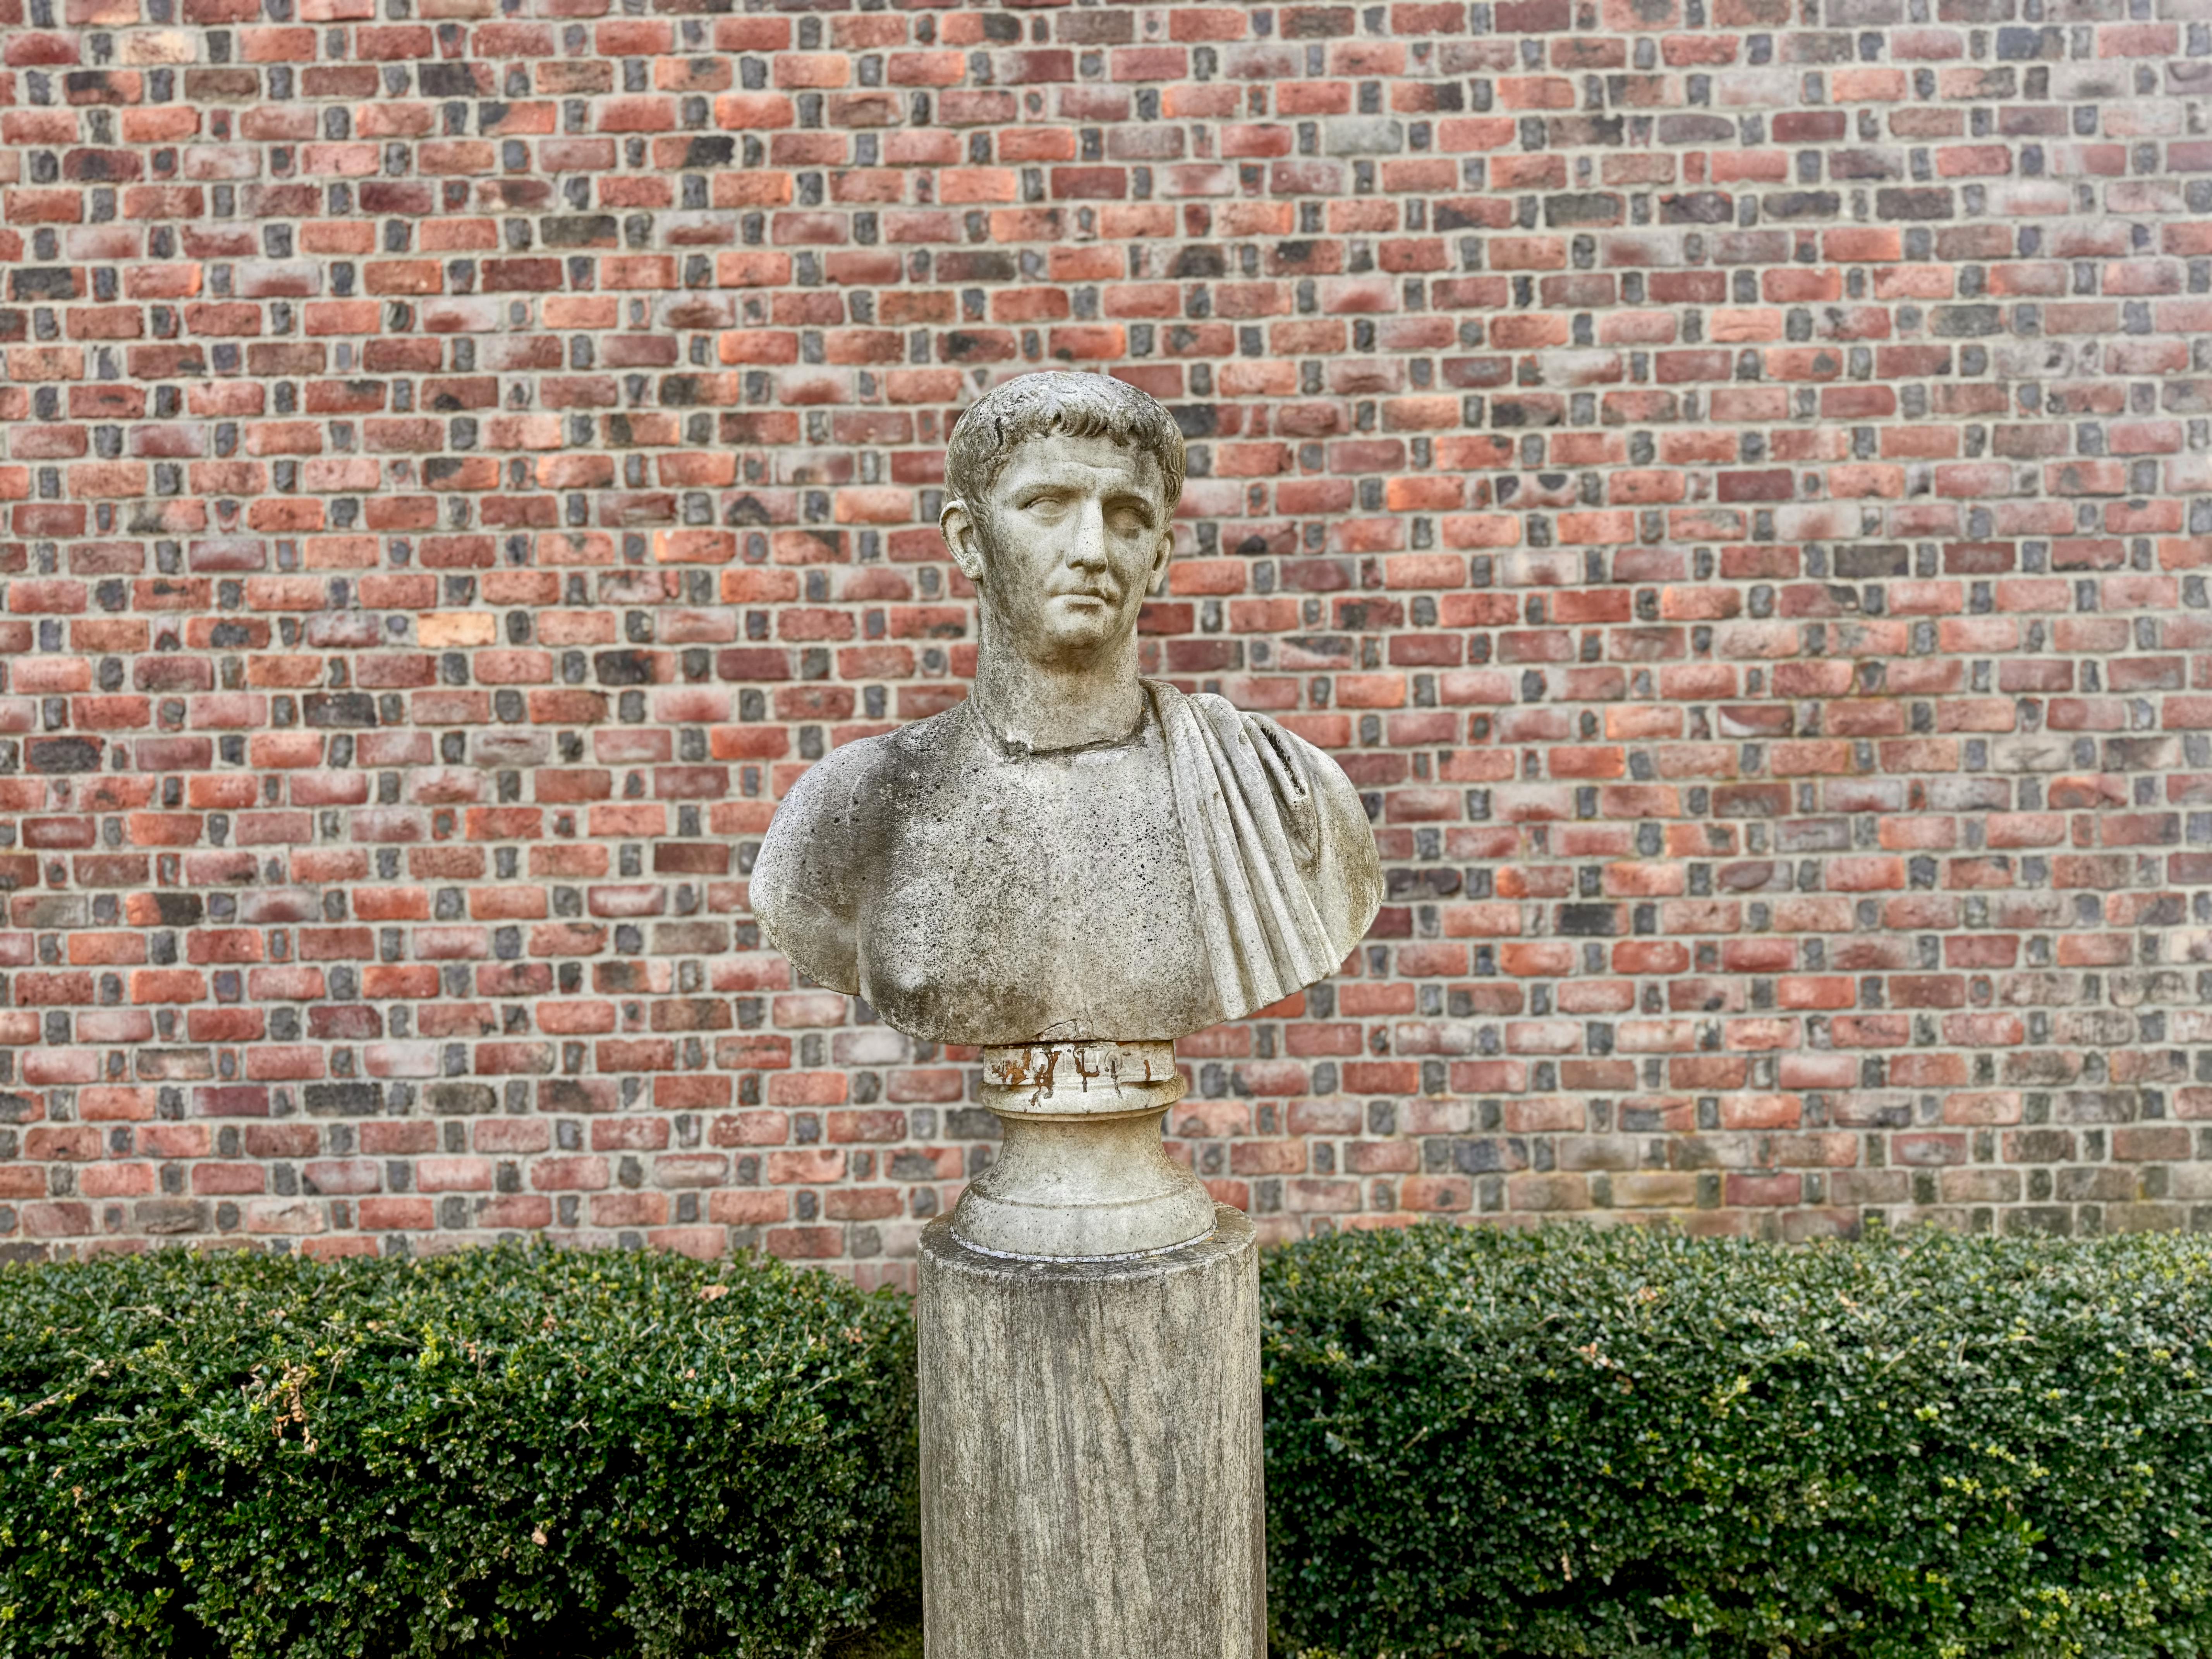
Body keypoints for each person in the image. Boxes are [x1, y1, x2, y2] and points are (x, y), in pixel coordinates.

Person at [749, 372, 1382, 1048]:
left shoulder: (1289, 799)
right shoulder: (856, 806)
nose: (1091, 549)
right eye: (1048, 506)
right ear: (969, 540)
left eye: (1127, 517)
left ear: (1160, 554)